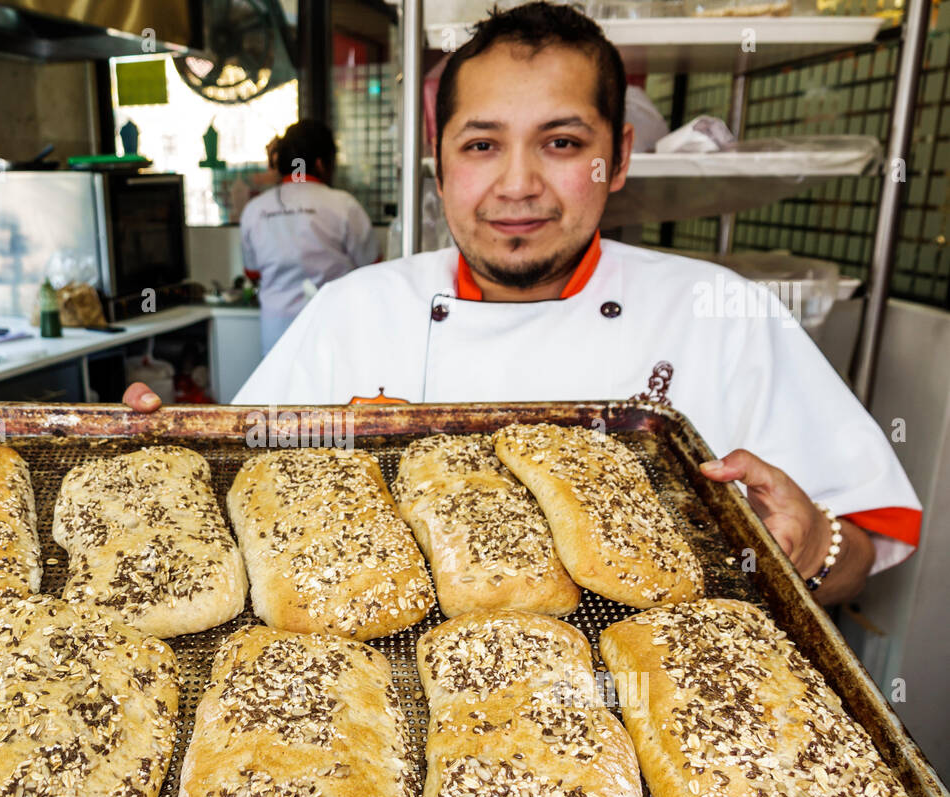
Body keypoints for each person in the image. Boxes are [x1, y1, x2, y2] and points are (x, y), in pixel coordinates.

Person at [124, 2, 921, 607]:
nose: (517, 185)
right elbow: (237, 500)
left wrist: (817, 544)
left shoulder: (722, 312)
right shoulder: (354, 312)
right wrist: (160, 472)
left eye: (563, 143)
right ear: (439, 166)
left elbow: (867, 542)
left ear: (618, 158)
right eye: (481, 144)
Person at [240, 119, 380, 355]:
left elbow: (253, 273)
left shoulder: (254, 210)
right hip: (333, 332)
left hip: (276, 336)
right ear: (321, 163)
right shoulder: (343, 205)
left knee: (280, 390)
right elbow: (373, 268)